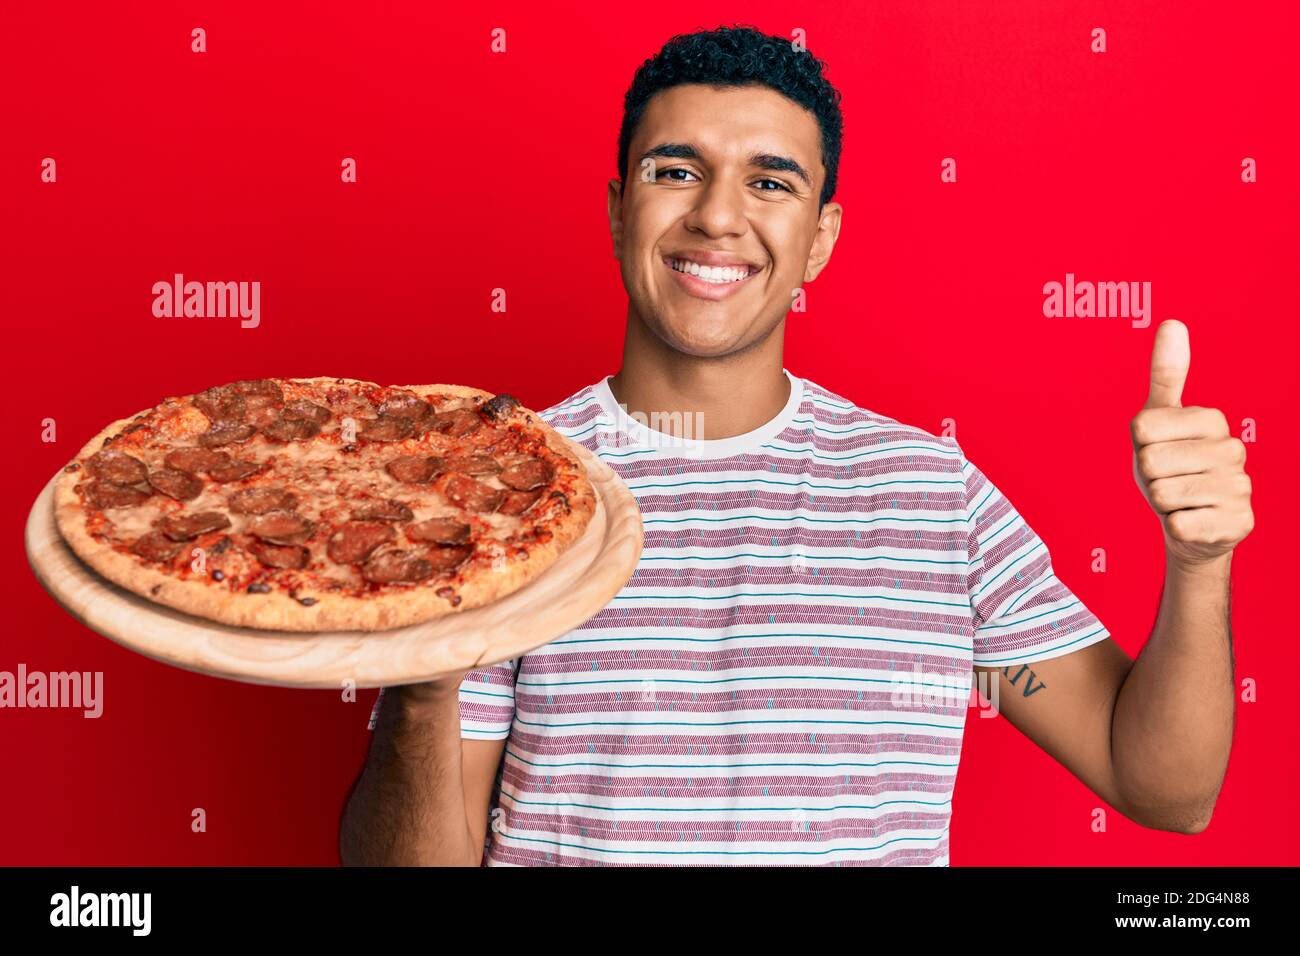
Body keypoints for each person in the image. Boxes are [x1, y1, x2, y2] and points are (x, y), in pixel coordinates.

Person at [339, 25, 1253, 866]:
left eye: (770, 181)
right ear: (620, 212)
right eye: (675, 171)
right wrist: (422, 684)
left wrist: (1199, 561)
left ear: (820, 239)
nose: (718, 218)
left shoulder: (933, 497)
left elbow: (1165, 789)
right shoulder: (505, 497)